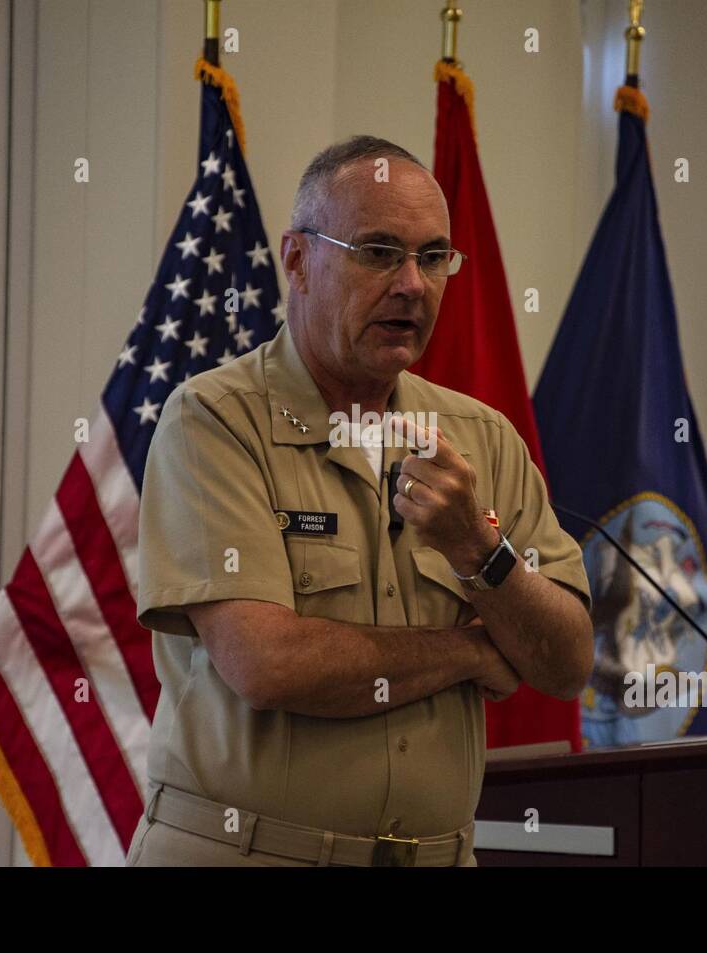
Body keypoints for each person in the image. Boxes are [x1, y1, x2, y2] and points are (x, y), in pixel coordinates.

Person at [125, 135, 593, 867]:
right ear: (296, 260)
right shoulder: (214, 421)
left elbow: (564, 665)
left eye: (433, 257)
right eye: (378, 252)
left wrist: (477, 548)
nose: (412, 284)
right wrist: (473, 650)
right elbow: (268, 664)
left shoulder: (483, 437)